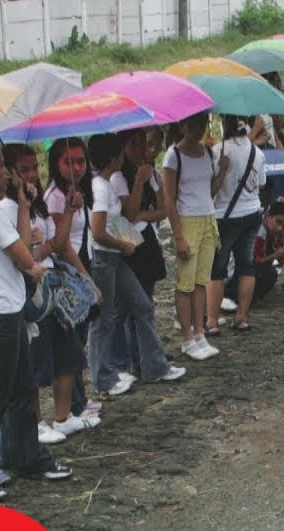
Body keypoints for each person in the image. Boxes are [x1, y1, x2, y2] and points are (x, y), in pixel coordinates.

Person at [0, 139, 71, 504]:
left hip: (7, 310)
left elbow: (20, 243)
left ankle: (26, 457)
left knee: (22, 389)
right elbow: (25, 253)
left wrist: (22, 204)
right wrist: (35, 265)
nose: (5, 173)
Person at [86, 133, 186, 393]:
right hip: (104, 257)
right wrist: (123, 244)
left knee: (142, 306)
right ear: (113, 157)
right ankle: (103, 377)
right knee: (105, 318)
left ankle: (154, 366)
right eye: (122, 151)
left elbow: (121, 219)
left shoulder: (106, 184)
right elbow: (98, 231)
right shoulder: (99, 186)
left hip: (117, 255)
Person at [38, 139, 102, 433]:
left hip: (81, 264)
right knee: (71, 339)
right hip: (67, 272)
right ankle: (74, 403)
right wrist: (86, 279)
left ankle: (75, 402)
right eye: (69, 162)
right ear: (56, 164)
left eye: (80, 161)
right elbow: (62, 246)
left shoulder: (75, 192)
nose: (76, 167)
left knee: (77, 337)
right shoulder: (54, 197)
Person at [164, 112, 225, 361]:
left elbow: (209, 190)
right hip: (187, 220)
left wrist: (222, 173)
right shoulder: (173, 155)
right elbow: (169, 198)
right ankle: (187, 337)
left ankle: (200, 332)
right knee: (185, 284)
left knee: (201, 281)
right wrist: (178, 235)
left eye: (204, 123)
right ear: (182, 124)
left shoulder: (207, 152)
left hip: (208, 218)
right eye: (196, 124)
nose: (200, 129)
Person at [114, 126, 169, 376]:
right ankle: (132, 359)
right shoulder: (119, 177)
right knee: (131, 307)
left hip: (146, 239)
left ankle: (143, 355)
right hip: (127, 240)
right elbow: (131, 212)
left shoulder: (150, 173)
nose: (147, 150)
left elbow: (163, 208)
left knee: (145, 299)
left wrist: (149, 182)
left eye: (150, 145)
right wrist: (139, 182)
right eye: (137, 145)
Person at [210, 116, 266, 332]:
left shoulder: (218, 150)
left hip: (225, 215)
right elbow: (260, 182)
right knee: (246, 266)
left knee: (217, 270)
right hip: (252, 212)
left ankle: (212, 321)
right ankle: (241, 317)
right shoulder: (257, 152)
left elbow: (212, 185)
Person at [226, 202, 284, 306]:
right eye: (278, 222)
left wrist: (282, 242)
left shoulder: (273, 233)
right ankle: (234, 296)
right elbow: (255, 261)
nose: (280, 228)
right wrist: (275, 255)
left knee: (270, 273)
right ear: (269, 216)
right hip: (232, 276)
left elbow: (282, 261)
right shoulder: (258, 232)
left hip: (243, 273)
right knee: (269, 274)